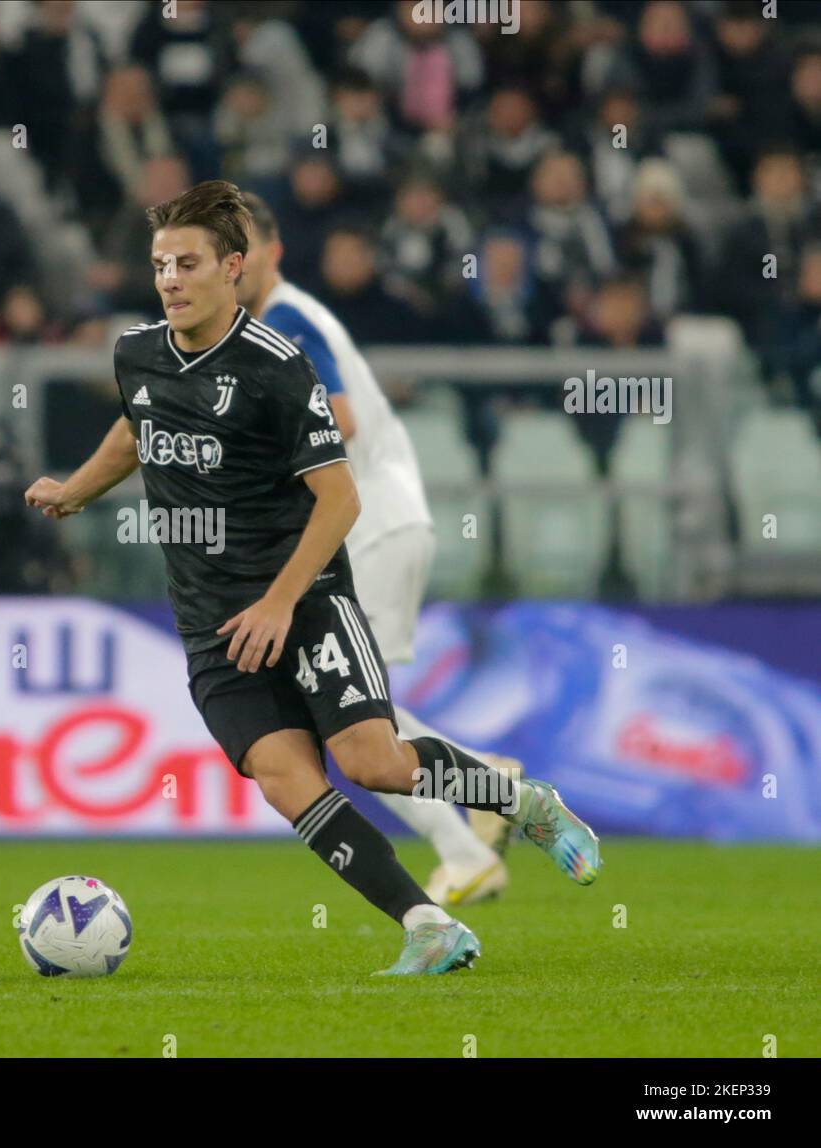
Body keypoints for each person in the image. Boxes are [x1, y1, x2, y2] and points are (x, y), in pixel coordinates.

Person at [25, 181, 601, 976]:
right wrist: (77, 487)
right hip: (209, 619)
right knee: (282, 778)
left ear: (233, 268)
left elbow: (340, 498)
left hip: (303, 599)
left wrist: (279, 601)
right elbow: (136, 425)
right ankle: (427, 925)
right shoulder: (138, 353)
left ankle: (525, 805)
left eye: (187, 263)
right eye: (160, 265)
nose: (169, 280)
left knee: (372, 760)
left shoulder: (276, 365)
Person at [235, 191, 525, 906]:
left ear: (268, 254)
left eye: (236, 251)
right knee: (353, 714)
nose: (227, 267)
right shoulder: (285, 320)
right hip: (379, 525)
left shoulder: (289, 319)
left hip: (374, 525)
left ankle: (483, 802)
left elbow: (340, 418)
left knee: (358, 720)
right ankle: (472, 824)